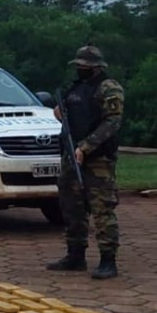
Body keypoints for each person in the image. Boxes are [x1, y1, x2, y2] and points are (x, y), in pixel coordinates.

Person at [47, 45, 124, 279]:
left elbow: (112, 123)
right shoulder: (76, 87)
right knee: (71, 205)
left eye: (85, 66)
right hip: (72, 155)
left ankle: (108, 260)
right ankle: (75, 254)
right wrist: (59, 112)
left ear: (96, 67)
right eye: (79, 66)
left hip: (98, 158)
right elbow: (68, 113)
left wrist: (87, 146)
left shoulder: (109, 88)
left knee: (102, 209)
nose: (80, 69)